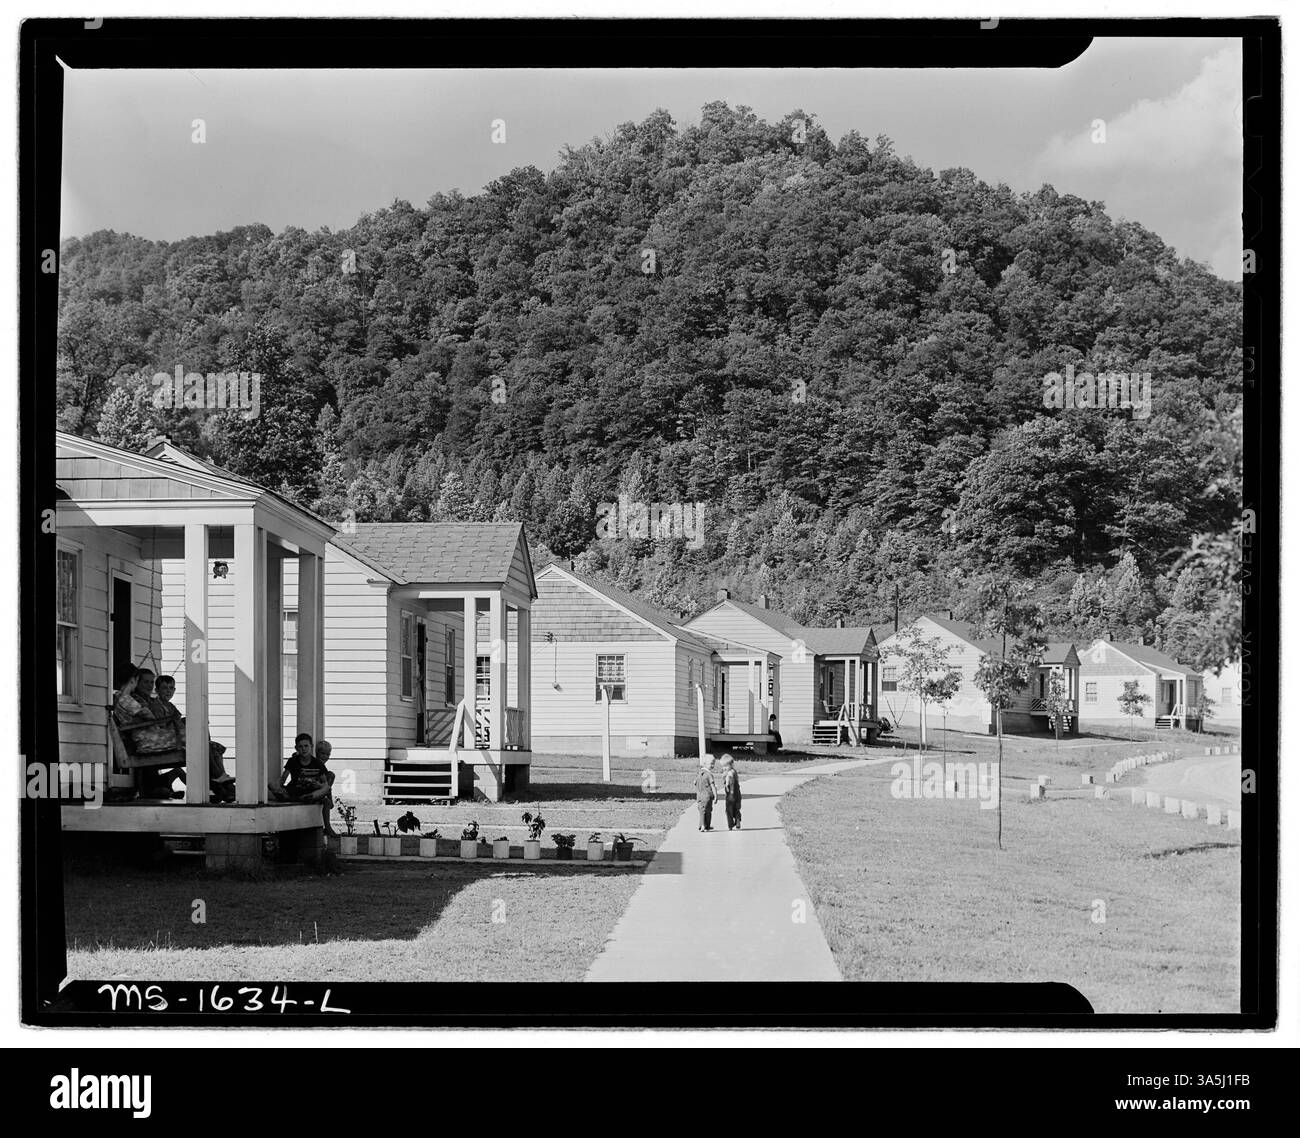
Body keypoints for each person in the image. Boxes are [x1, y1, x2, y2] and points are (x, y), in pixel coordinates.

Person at [695, 758, 718, 832]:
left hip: (699, 796)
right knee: (708, 811)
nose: (712, 765)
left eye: (713, 764)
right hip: (707, 796)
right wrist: (716, 796)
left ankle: (702, 825)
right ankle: (706, 826)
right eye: (711, 764)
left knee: (701, 810)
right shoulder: (709, 774)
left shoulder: (699, 773)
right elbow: (712, 785)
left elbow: (695, 783)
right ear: (705, 764)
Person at [721, 756, 743, 830]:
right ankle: (737, 821)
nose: (724, 768)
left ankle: (730, 825)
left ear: (731, 764)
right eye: (723, 766)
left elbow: (731, 781)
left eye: (726, 766)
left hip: (731, 794)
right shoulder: (734, 771)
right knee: (736, 808)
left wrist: (728, 786)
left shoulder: (730, 773)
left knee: (728, 810)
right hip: (737, 794)